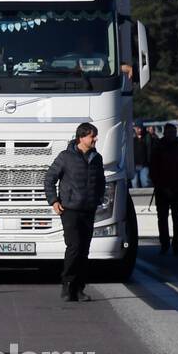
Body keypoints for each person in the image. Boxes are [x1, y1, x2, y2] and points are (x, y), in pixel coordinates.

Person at [44, 122, 106, 301]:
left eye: (95, 135)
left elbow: (101, 181)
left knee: (85, 250)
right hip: (70, 209)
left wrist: (99, 198)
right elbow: (49, 179)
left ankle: (79, 288)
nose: (95, 139)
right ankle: (67, 284)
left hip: (89, 209)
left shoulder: (97, 158)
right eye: (92, 136)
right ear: (81, 137)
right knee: (74, 247)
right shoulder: (65, 157)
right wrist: (54, 201)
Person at [150, 123, 178, 255]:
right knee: (162, 218)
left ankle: (177, 245)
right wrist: (161, 186)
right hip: (162, 190)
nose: (171, 135)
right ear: (164, 133)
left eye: (173, 133)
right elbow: (153, 170)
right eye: (169, 133)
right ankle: (164, 244)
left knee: (177, 218)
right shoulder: (158, 149)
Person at [132, 123, 152, 188]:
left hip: (144, 165)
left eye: (141, 128)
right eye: (138, 128)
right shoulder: (131, 138)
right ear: (134, 128)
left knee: (145, 183)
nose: (140, 130)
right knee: (134, 184)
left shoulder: (147, 137)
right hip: (134, 166)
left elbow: (149, 150)